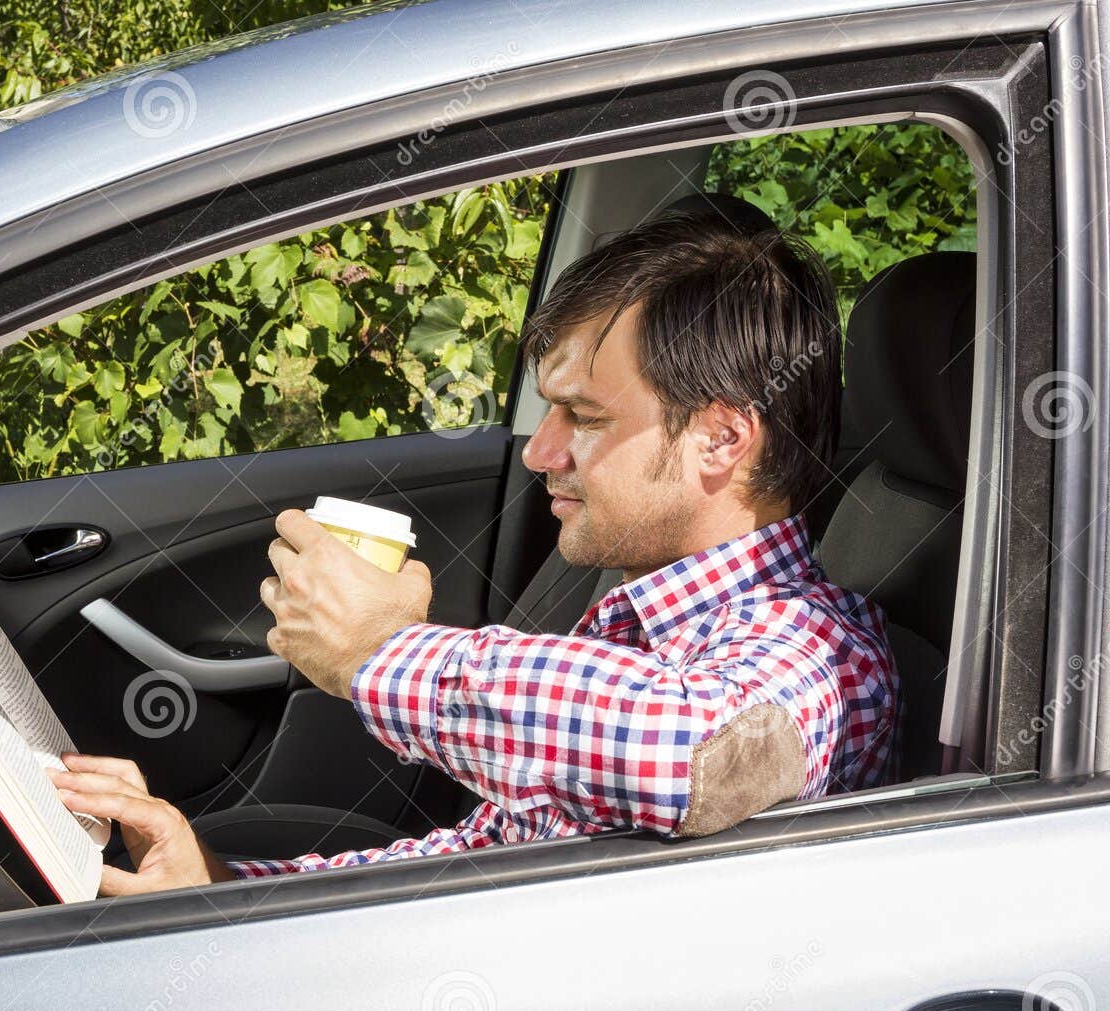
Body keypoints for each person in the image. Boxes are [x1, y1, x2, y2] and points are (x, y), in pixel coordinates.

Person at [50, 202, 899, 896]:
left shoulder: (820, 651)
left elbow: (698, 752)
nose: (540, 453)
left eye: (587, 418)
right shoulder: (640, 639)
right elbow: (481, 851)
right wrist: (221, 881)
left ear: (720, 439)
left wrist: (379, 654)